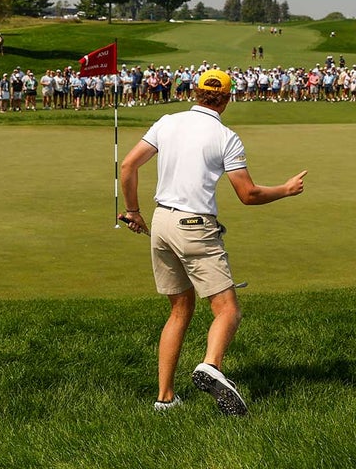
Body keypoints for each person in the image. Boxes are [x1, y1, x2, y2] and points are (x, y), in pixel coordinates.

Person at [118, 68, 307, 415]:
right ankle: (211, 366)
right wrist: (286, 189)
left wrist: (133, 211)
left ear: (195, 91)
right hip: (195, 227)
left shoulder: (167, 122)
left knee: (180, 308)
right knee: (228, 310)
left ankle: (165, 399)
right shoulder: (226, 136)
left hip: (161, 222)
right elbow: (248, 194)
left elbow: (128, 166)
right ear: (228, 98)